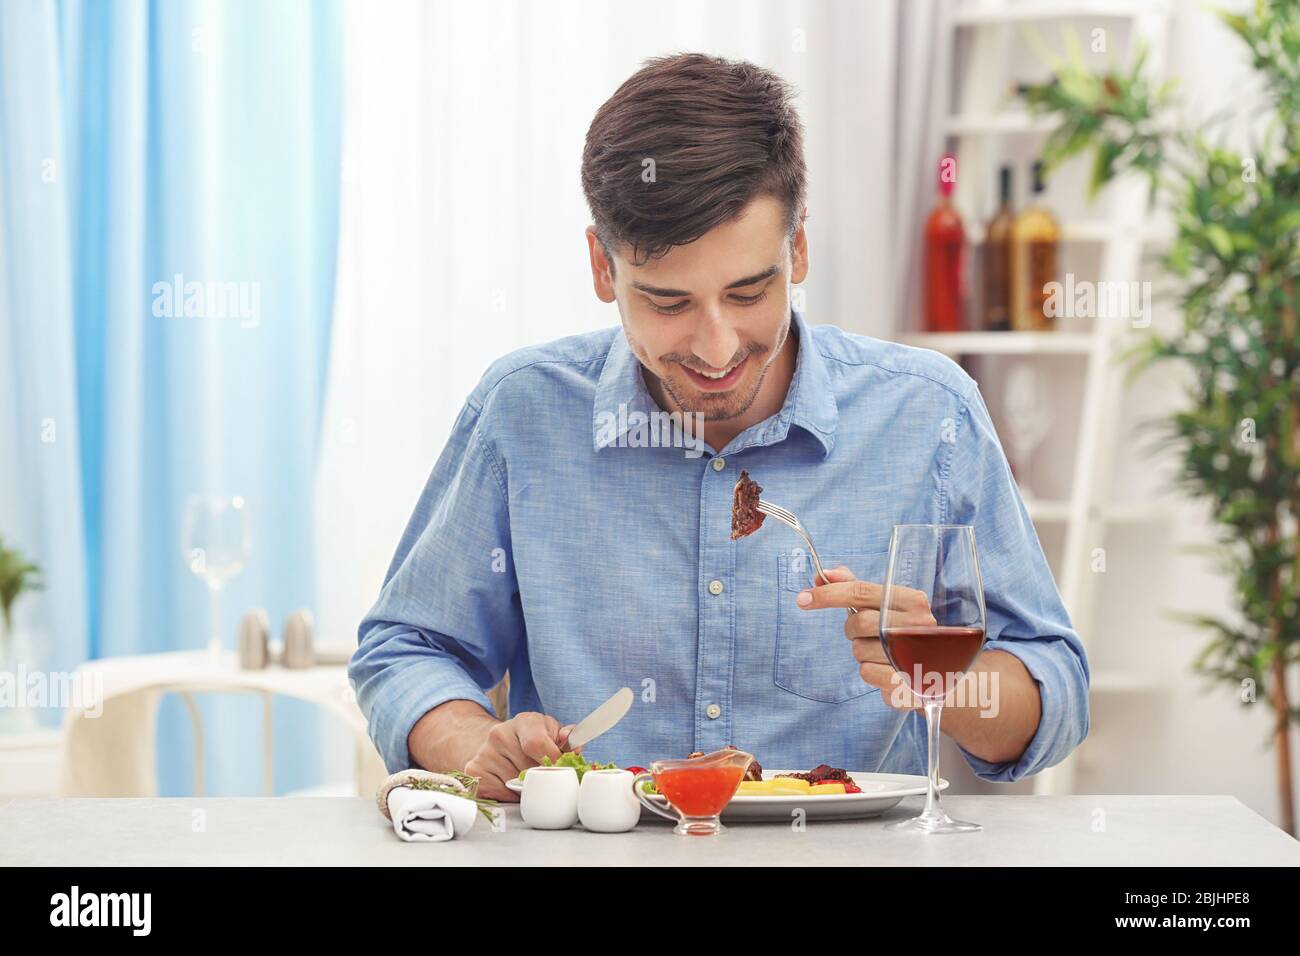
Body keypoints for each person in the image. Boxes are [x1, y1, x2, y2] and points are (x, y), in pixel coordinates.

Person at [350, 53, 1089, 800]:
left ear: (797, 249)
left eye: (748, 291)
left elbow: (1054, 692)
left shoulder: (929, 415)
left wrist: (943, 683)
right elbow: (407, 647)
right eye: (668, 303)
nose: (717, 347)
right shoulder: (524, 412)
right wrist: (479, 745)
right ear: (602, 270)